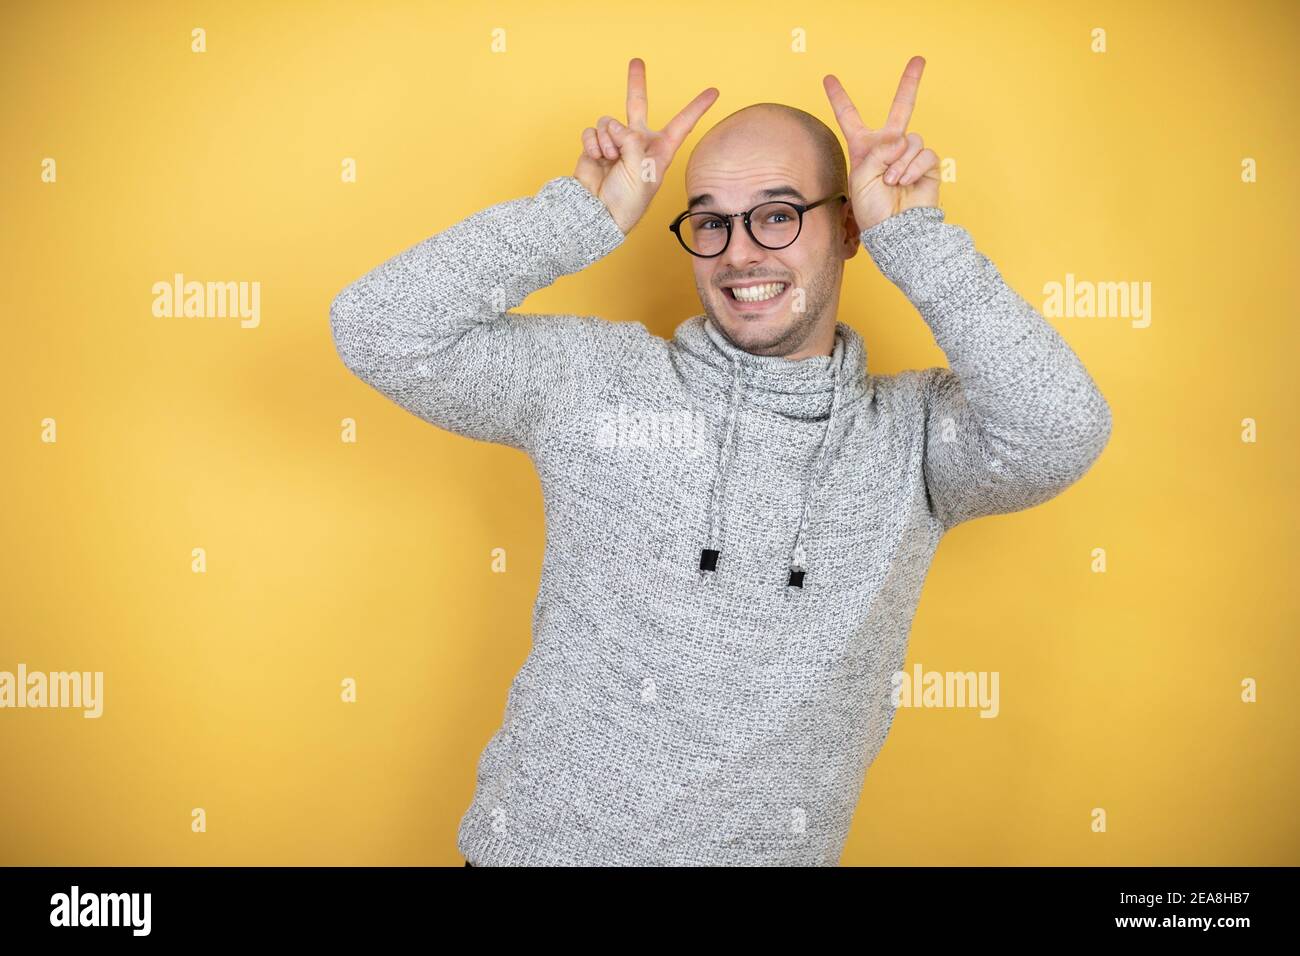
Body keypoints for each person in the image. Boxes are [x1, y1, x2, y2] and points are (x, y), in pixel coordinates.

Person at [329, 56, 1112, 866]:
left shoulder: (912, 438)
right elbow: (377, 328)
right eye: (711, 222)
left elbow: (1062, 428)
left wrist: (917, 241)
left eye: (777, 215)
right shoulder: (592, 385)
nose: (739, 254)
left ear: (848, 229)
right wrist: (576, 216)